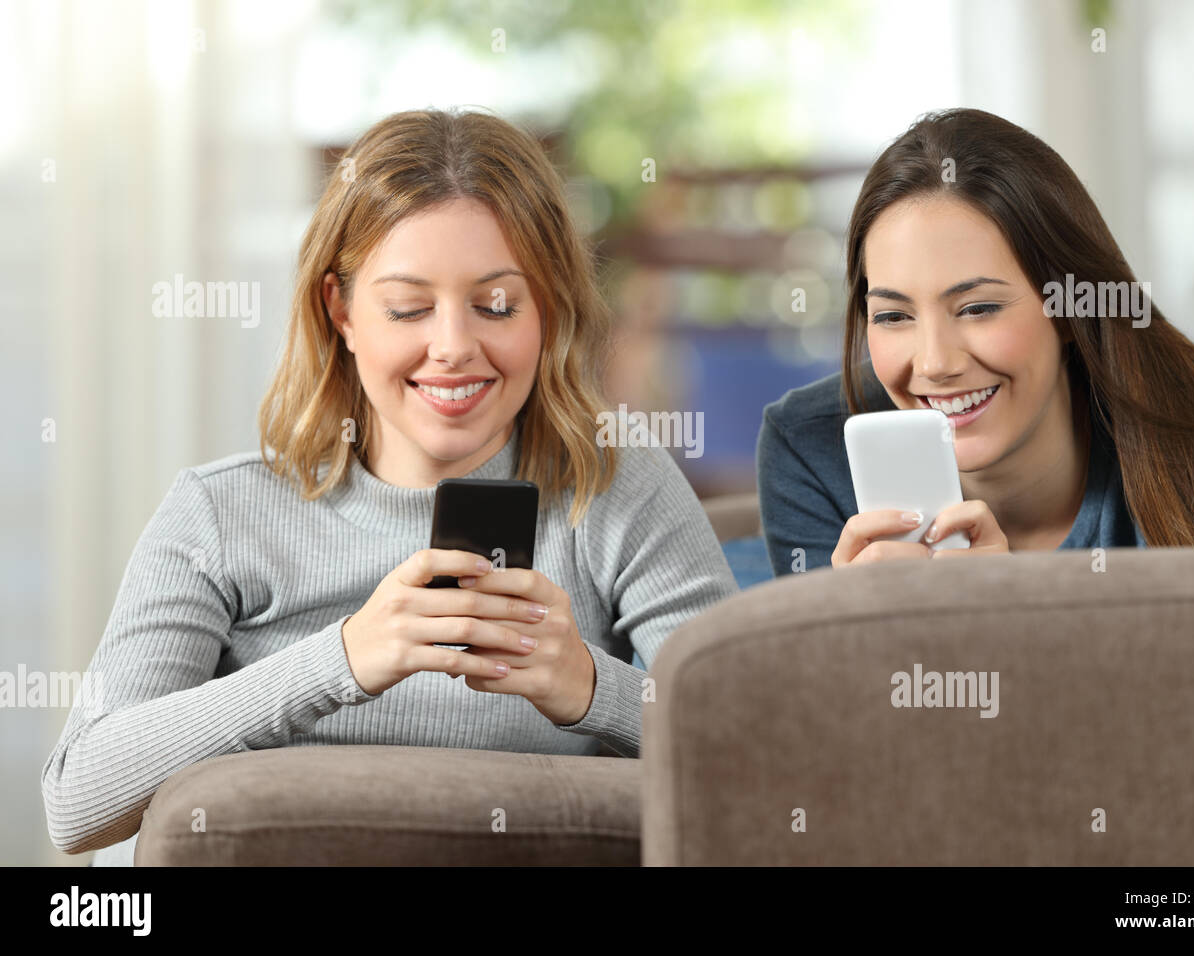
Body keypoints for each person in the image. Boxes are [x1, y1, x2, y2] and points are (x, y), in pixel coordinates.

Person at [42, 107, 738, 864]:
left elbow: (761, 756)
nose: (453, 348)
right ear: (339, 311)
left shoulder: (615, 489)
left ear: (548, 309)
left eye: (498, 304)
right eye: (408, 307)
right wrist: (340, 661)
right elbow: (77, 799)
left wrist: (590, 686)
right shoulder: (220, 514)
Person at [758, 108, 1194, 575]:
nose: (935, 362)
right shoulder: (810, 448)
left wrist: (1006, 621)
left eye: (978, 308)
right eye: (894, 316)